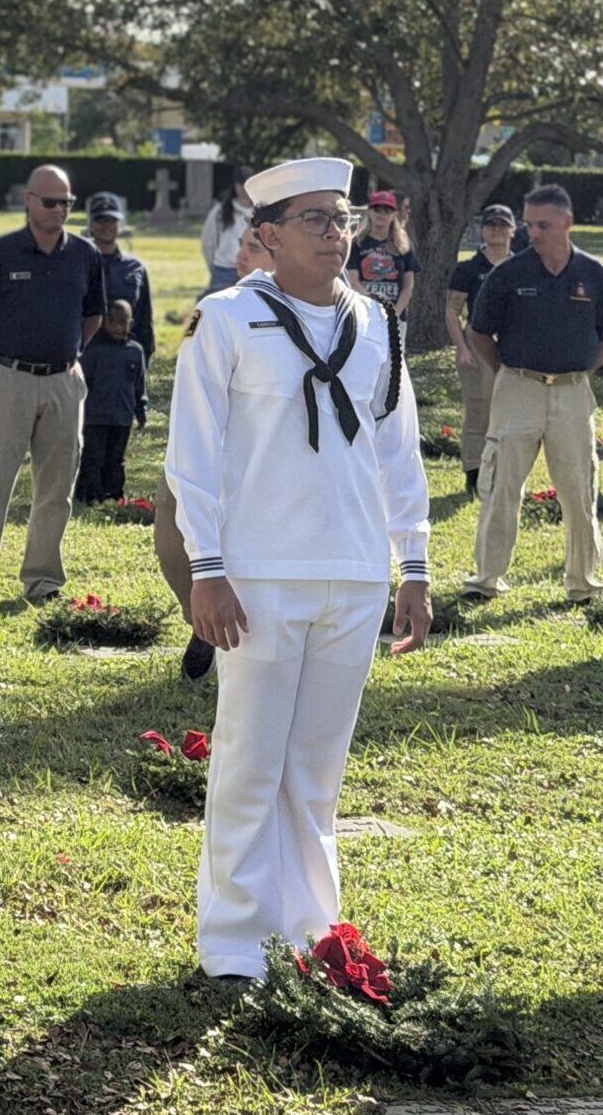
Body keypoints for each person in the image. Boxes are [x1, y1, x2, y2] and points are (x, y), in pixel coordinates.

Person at [167, 155, 431, 981]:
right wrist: (207, 570)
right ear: (267, 236)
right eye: (314, 219)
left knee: (317, 768)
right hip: (258, 575)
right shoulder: (227, 321)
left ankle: (311, 926)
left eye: (343, 216)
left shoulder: (379, 323)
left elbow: (399, 452)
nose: (335, 232)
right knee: (250, 761)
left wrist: (413, 564)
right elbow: (193, 458)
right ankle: (233, 941)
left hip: (352, 573)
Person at [0, 165, 105, 607]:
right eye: (51, 202)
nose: (60, 210)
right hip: (9, 379)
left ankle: (43, 581)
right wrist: (1, 360)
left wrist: (66, 356)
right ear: (28, 200)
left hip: (64, 381)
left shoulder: (84, 255)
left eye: (67, 203)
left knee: (56, 488)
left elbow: (92, 316)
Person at [462, 185, 603, 602]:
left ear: (567, 223)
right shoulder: (509, 274)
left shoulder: (593, 274)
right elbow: (479, 332)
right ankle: (486, 579)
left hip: (572, 393)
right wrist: (507, 372)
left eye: (543, 225)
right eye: (529, 224)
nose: (532, 233)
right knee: (501, 486)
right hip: (518, 388)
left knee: (579, 489)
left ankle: (582, 581)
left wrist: (582, 369)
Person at [168, 223, 275, 682]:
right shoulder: (218, 308)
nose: (240, 256)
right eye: (241, 247)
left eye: (253, 248)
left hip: (257, 469)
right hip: (202, 449)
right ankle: (202, 620)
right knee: (175, 545)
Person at [443, 205, 519, 495]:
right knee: (479, 413)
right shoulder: (468, 269)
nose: (497, 230)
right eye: (491, 225)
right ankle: (474, 474)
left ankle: (503, 473)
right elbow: (452, 311)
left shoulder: (522, 267)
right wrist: (462, 348)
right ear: (482, 230)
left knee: (512, 414)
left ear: (513, 229)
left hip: (513, 346)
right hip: (476, 344)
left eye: (503, 225)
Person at [76, 300, 148, 502]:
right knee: (93, 457)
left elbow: (139, 385)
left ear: (130, 323)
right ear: (104, 323)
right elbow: (83, 382)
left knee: (116, 459)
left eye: (122, 322)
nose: (117, 327)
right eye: (112, 322)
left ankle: (114, 494)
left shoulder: (135, 351)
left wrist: (140, 410)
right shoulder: (94, 351)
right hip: (96, 416)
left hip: (122, 417)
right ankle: (90, 495)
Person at [87, 193, 155, 364]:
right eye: (100, 220)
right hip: (88, 355)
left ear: (119, 224)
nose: (106, 225)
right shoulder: (78, 263)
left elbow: (144, 317)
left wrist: (144, 356)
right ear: (91, 224)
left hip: (125, 356)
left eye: (111, 220)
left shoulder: (135, 268)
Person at [346, 190, 419, 315]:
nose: (381, 214)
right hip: (364, 312)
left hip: (396, 314)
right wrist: (372, 308)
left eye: (387, 211)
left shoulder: (404, 245)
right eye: (377, 209)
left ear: (394, 214)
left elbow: (408, 287)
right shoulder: (356, 244)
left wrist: (394, 315)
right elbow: (353, 282)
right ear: (369, 212)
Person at [199, 166, 255, 293]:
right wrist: (214, 265)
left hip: (252, 270)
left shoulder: (260, 211)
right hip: (224, 271)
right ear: (235, 185)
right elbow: (208, 242)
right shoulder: (221, 211)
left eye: (247, 184)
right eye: (240, 184)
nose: (243, 188)